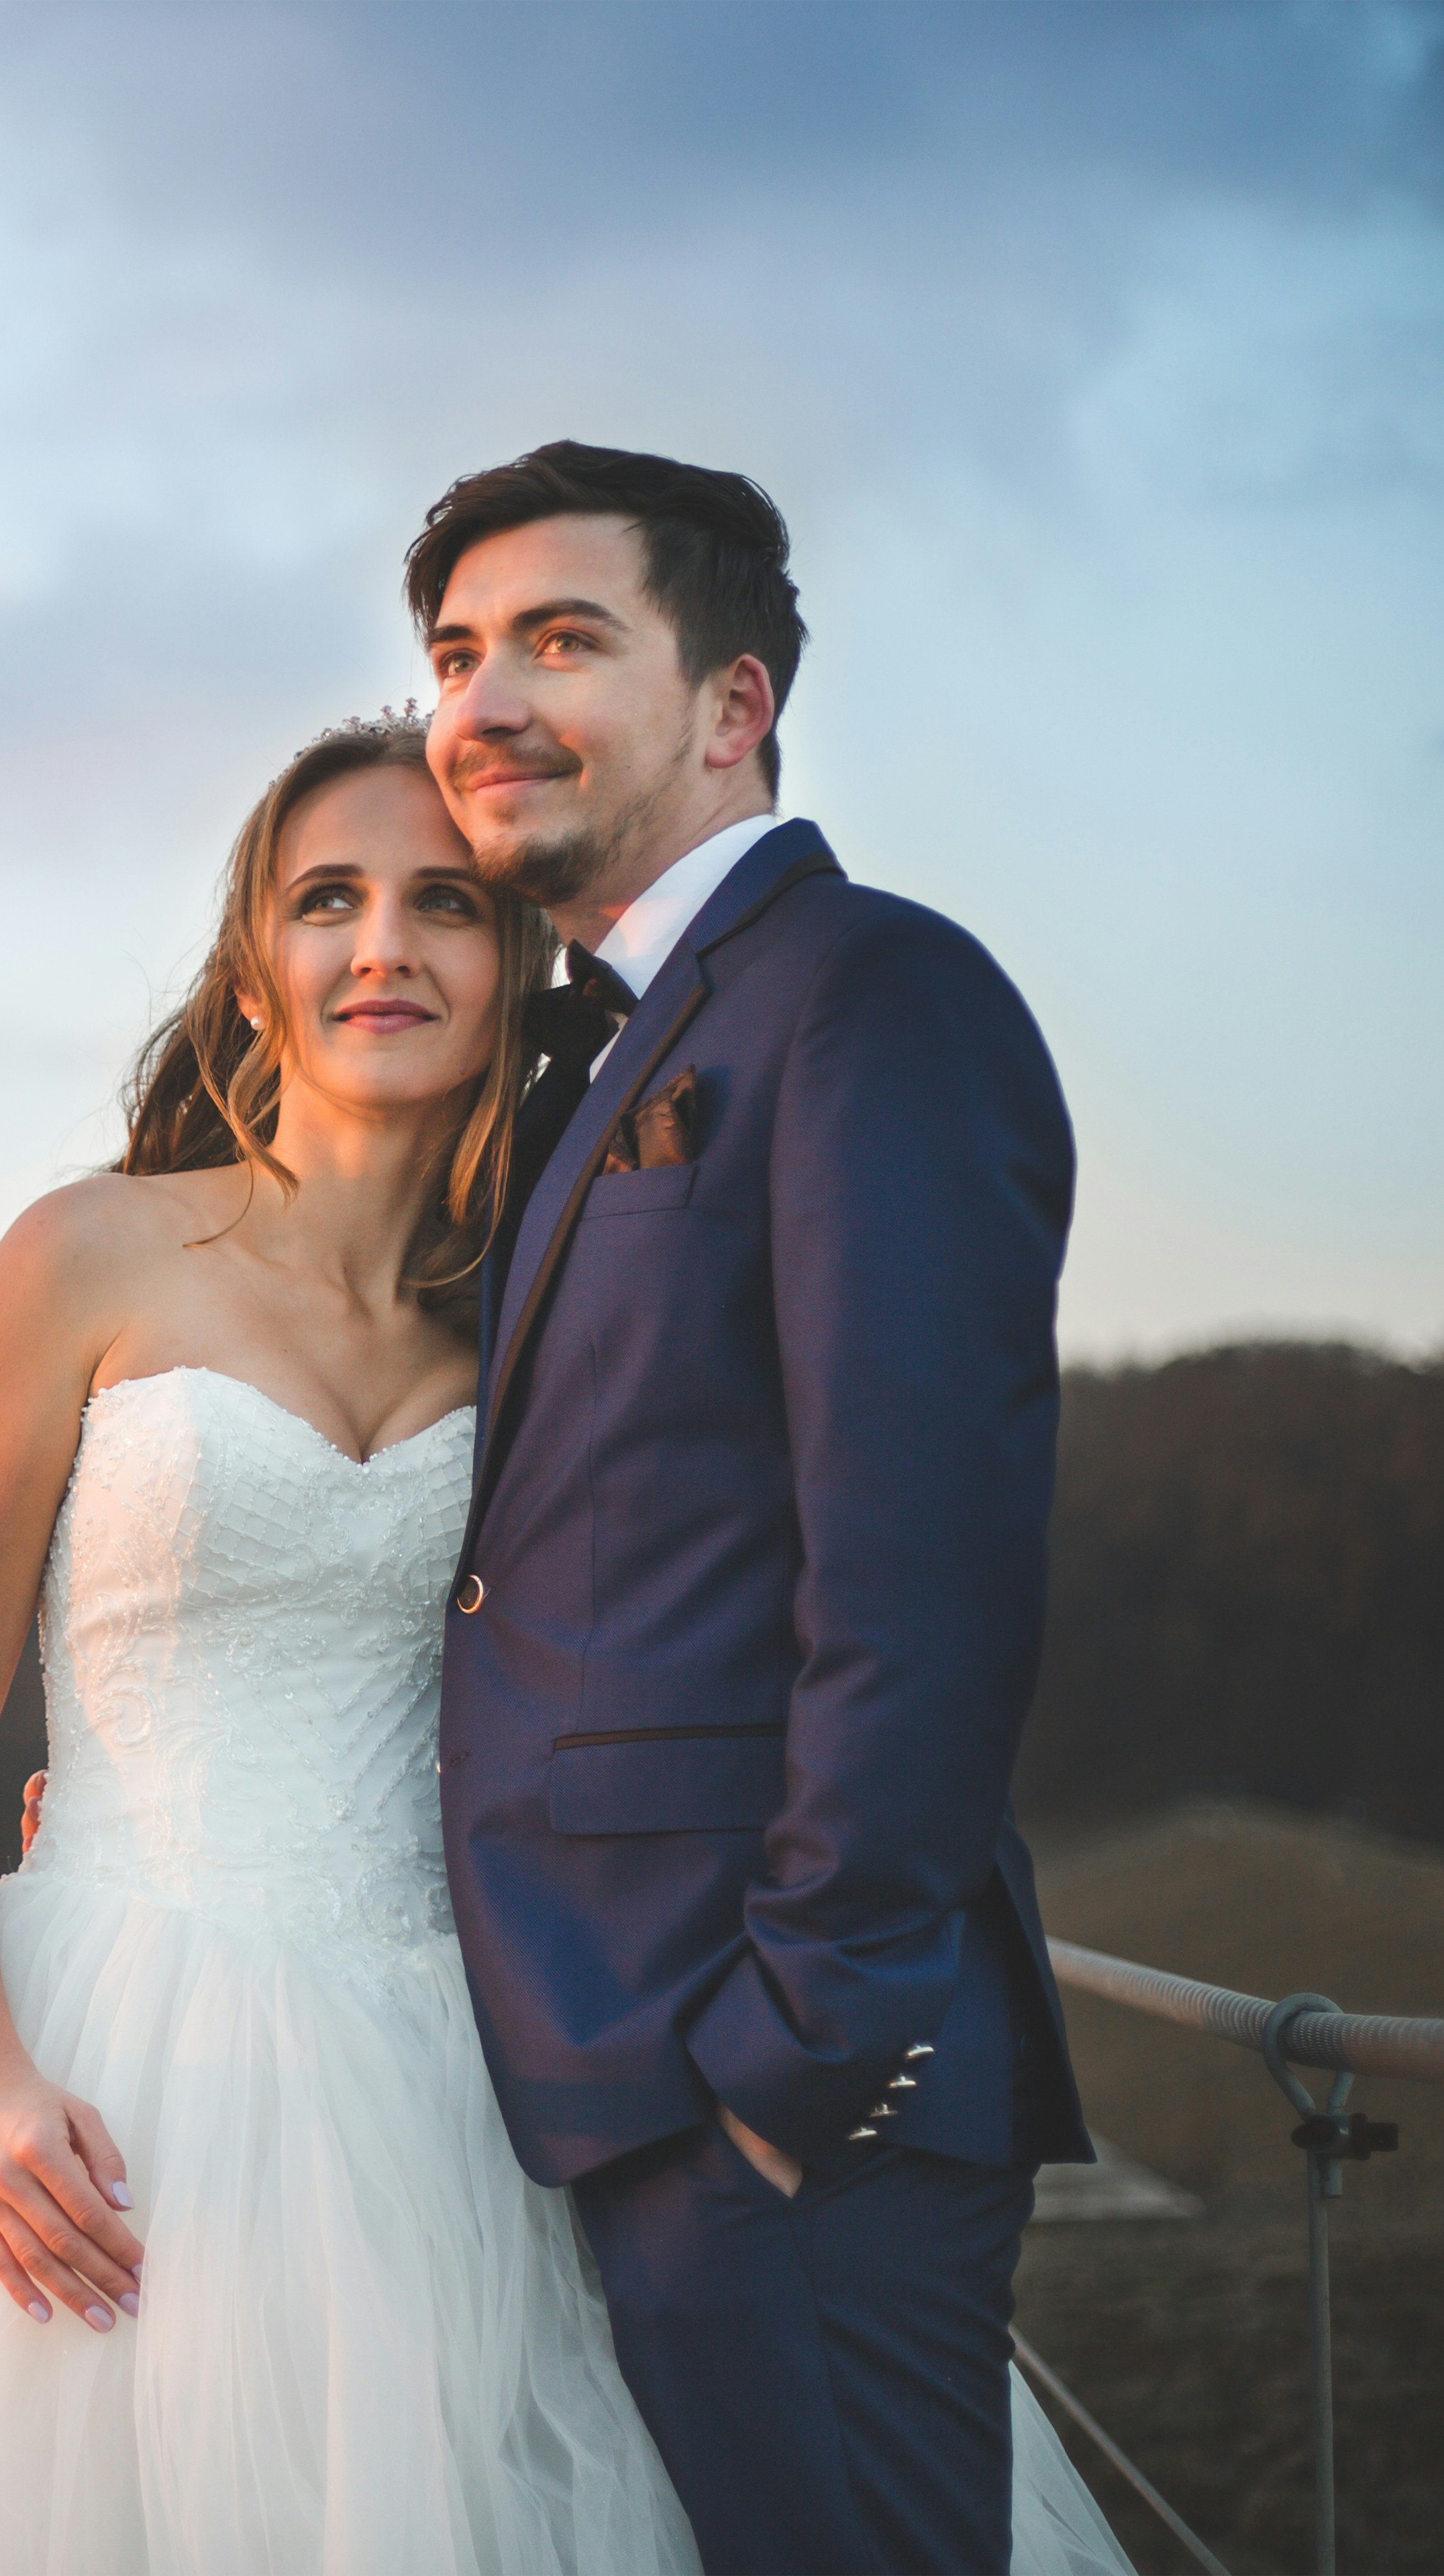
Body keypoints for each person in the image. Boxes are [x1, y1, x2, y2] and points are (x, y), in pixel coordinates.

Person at [0, 697, 1129, 2571]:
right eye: (329, 900)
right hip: (112, 2043)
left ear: (521, 965)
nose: (382, 945)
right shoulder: (85, 1254)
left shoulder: (547, 1319)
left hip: (490, 2062)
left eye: (444, 903)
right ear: (257, 969)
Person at [417, 442, 1097, 2575]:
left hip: (777, 2083)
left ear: (734, 706)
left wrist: (802, 2059)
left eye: (561, 641)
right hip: (617, 2066)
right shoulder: (595, 1057)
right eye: (455, 655)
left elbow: (924, 1577)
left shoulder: (871, 997)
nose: (484, 701)